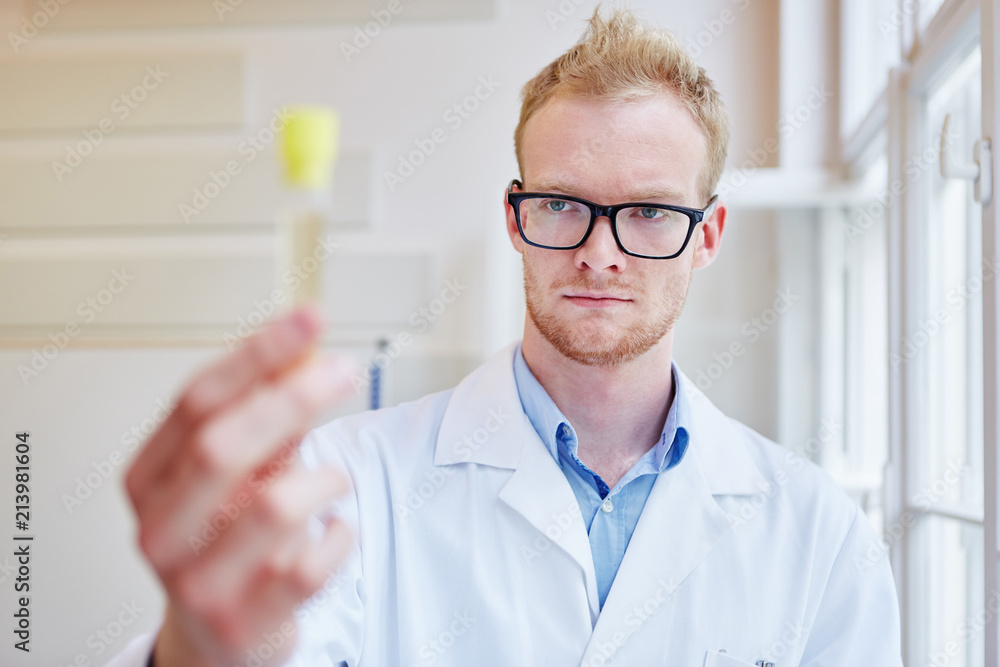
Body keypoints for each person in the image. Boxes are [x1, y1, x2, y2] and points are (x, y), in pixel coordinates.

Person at [110, 8, 903, 667]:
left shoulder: (819, 534)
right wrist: (198, 647)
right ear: (514, 219)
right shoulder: (348, 486)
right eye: (562, 204)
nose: (600, 251)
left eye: (650, 212)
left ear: (708, 233)